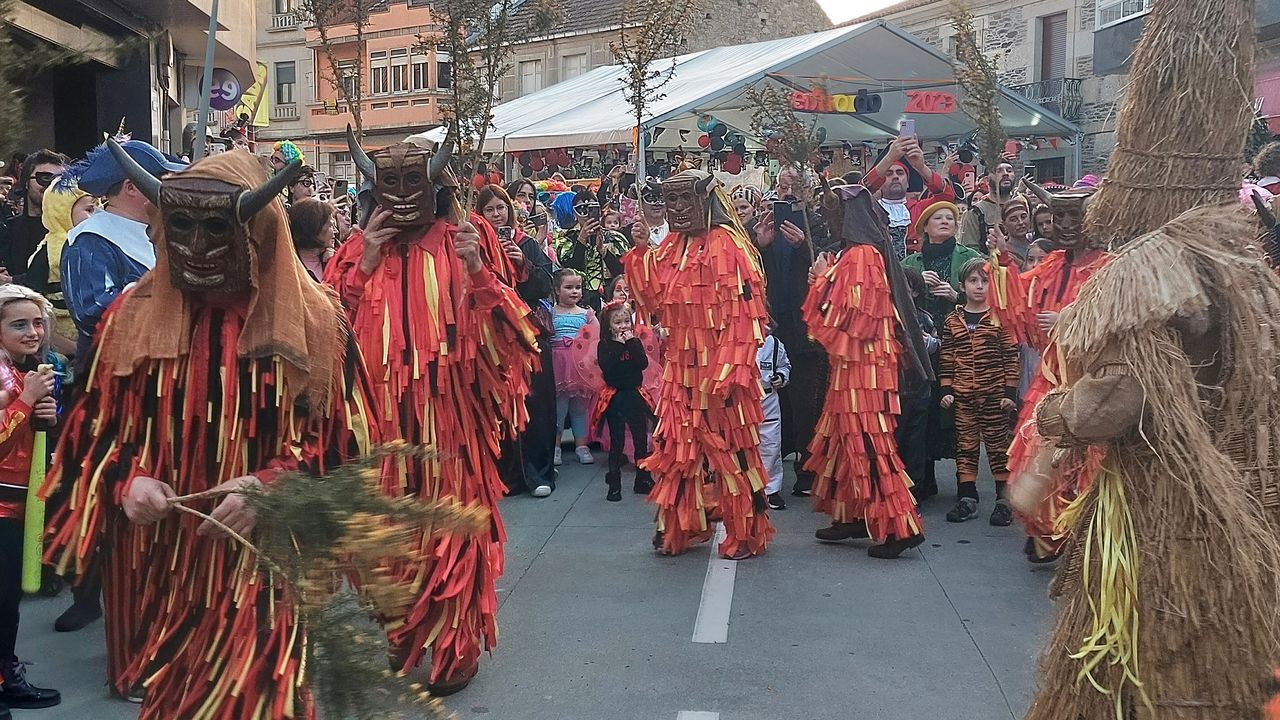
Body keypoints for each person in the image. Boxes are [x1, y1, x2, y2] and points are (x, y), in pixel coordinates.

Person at [42, 146, 377, 717]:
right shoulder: (131, 315)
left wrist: (274, 484)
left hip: (264, 557)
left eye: (215, 227)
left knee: (257, 695)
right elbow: (91, 428)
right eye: (181, 227)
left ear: (257, 234)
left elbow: (348, 447)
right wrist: (125, 481)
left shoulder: (316, 322)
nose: (195, 248)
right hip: (158, 560)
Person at [329, 128, 539, 693]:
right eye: (387, 185)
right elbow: (327, 338)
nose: (399, 198)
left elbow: (516, 338)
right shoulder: (354, 251)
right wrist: (363, 267)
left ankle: (455, 647)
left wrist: (478, 272)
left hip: (451, 424)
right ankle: (397, 630)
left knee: (453, 533)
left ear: (436, 186)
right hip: (378, 429)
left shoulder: (468, 239)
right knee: (387, 534)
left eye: (412, 184)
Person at [625, 169, 774, 560]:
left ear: (705, 201)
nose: (676, 209)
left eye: (683, 200)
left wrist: (731, 367)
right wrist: (641, 252)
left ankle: (745, 530)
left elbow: (747, 314)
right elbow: (655, 303)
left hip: (722, 370)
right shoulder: (671, 247)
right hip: (681, 370)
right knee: (677, 449)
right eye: (669, 201)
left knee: (731, 452)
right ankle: (684, 525)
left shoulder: (728, 245)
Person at [804, 183, 932, 559]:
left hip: (865, 369)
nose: (829, 220)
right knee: (843, 440)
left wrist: (822, 279)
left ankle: (899, 526)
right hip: (853, 368)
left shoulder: (861, 256)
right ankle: (855, 513)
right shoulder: (855, 254)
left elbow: (854, 317)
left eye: (833, 213)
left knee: (869, 442)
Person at [986, 186, 1108, 562]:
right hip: (1052, 379)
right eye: (1060, 218)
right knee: (1036, 453)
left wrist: (1068, 321)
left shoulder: (1109, 267)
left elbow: (1115, 320)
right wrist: (1002, 259)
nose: (1066, 225)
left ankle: (1071, 534)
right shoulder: (1052, 264)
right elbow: (1018, 304)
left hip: (1090, 380)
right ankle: (1048, 531)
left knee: (1085, 464)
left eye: (1076, 217)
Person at [61, 140, 184, 367]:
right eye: (162, 179)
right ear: (131, 187)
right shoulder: (91, 239)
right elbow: (93, 311)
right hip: (111, 375)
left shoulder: (161, 232)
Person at [0, 285, 63, 714]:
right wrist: (25, 400)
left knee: (8, 603)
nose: (32, 332)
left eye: (38, 322)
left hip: (19, 502)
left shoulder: (25, 372)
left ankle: (6, 676)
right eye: (18, 324)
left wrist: (44, 419)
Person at [752, 165, 832, 496]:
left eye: (794, 188)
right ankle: (769, 468)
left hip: (805, 330)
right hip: (771, 325)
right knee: (771, 400)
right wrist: (762, 245)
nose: (787, 194)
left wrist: (803, 248)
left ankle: (807, 468)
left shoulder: (817, 225)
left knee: (806, 402)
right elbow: (752, 270)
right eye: (782, 188)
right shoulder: (766, 223)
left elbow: (828, 267)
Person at [477, 185, 557, 498]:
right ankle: (507, 475)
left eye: (501, 208)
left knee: (536, 406)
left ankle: (540, 473)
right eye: (490, 210)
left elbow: (546, 285)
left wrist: (522, 263)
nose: (497, 216)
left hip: (530, 338)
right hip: (494, 338)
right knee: (501, 407)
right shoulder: (477, 248)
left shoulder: (527, 245)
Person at [937, 258, 1019, 526]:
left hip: (994, 395)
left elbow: (1010, 356)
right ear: (962, 285)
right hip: (963, 396)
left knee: (998, 447)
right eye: (973, 281)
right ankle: (968, 497)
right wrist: (946, 389)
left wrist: (1010, 392)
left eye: (985, 281)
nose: (980, 286)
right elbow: (947, 356)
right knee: (966, 446)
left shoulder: (999, 318)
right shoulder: (953, 320)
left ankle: (1003, 500)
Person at [593, 301, 653, 502]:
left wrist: (632, 343)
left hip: (634, 393)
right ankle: (614, 484)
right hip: (615, 396)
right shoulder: (605, 345)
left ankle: (642, 478)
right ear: (609, 326)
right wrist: (619, 345)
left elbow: (643, 364)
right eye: (618, 322)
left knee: (640, 439)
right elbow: (607, 368)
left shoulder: (634, 342)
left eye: (626, 321)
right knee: (617, 441)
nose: (623, 326)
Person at [861, 136, 955, 260]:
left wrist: (921, 167)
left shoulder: (920, 208)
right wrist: (889, 158)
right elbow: (858, 195)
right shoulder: (871, 209)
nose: (895, 177)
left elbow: (946, 197)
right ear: (880, 182)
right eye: (888, 173)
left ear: (908, 182)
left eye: (900, 173)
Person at [33, 178, 94, 357]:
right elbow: (33, 295)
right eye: (89, 209)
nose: (96, 214)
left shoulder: (97, 244)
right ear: (63, 211)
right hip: (61, 345)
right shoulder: (48, 252)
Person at [549, 269, 599, 467]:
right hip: (558, 364)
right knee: (559, 409)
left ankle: (581, 446)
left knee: (580, 408)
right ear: (556, 289)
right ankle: (555, 447)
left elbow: (596, 338)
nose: (574, 291)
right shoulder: (550, 312)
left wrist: (590, 358)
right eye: (568, 287)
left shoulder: (586, 314)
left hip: (580, 367)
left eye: (577, 287)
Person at [898, 267, 939, 501]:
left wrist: (930, 342)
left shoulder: (923, 317)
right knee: (899, 438)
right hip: (897, 388)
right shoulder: (891, 315)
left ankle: (916, 488)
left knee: (916, 442)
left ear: (914, 292)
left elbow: (936, 345)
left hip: (919, 387)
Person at [552, 189, 629, 310]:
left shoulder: (615, 238)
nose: (587, 213)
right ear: (574, 213)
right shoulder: (566, 239)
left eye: (592, 208)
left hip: (611, 299)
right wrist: (581, 240)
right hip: (579, 301)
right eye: (582, 209)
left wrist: (603, 251)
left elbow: (622, 271)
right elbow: (569, 268)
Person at [0, 150, 68, 287]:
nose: (51, 185)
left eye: (60, 180)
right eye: (44, 178)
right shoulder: (7, 229)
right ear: (26, 183)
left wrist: (14, 280)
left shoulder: (73, 230)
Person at [756, 325, 790, 510]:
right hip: (744, 399)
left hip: (768, 398)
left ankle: (771, 490)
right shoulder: (734, 340)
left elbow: (785, 366)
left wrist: (781, 377)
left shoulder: (775, 344)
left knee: (771, 444)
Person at [958, 160, 1018, 248]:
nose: (1005, 174)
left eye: (1009, 171)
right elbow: (969, 250)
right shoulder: (975, 212)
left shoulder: (1021, 207)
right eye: (998, 171)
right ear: (986, 180)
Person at [287, 198, 336, 281]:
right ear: (315, 228)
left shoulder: (334, 260)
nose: (336, 231)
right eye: (330, 226)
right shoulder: (289, 266)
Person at [999, 198, 1033, 265]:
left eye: (1023, 217)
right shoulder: (1004, 251)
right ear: (1004, 224)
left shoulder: (1035, 241)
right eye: (1013, 219)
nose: (1021, 222)